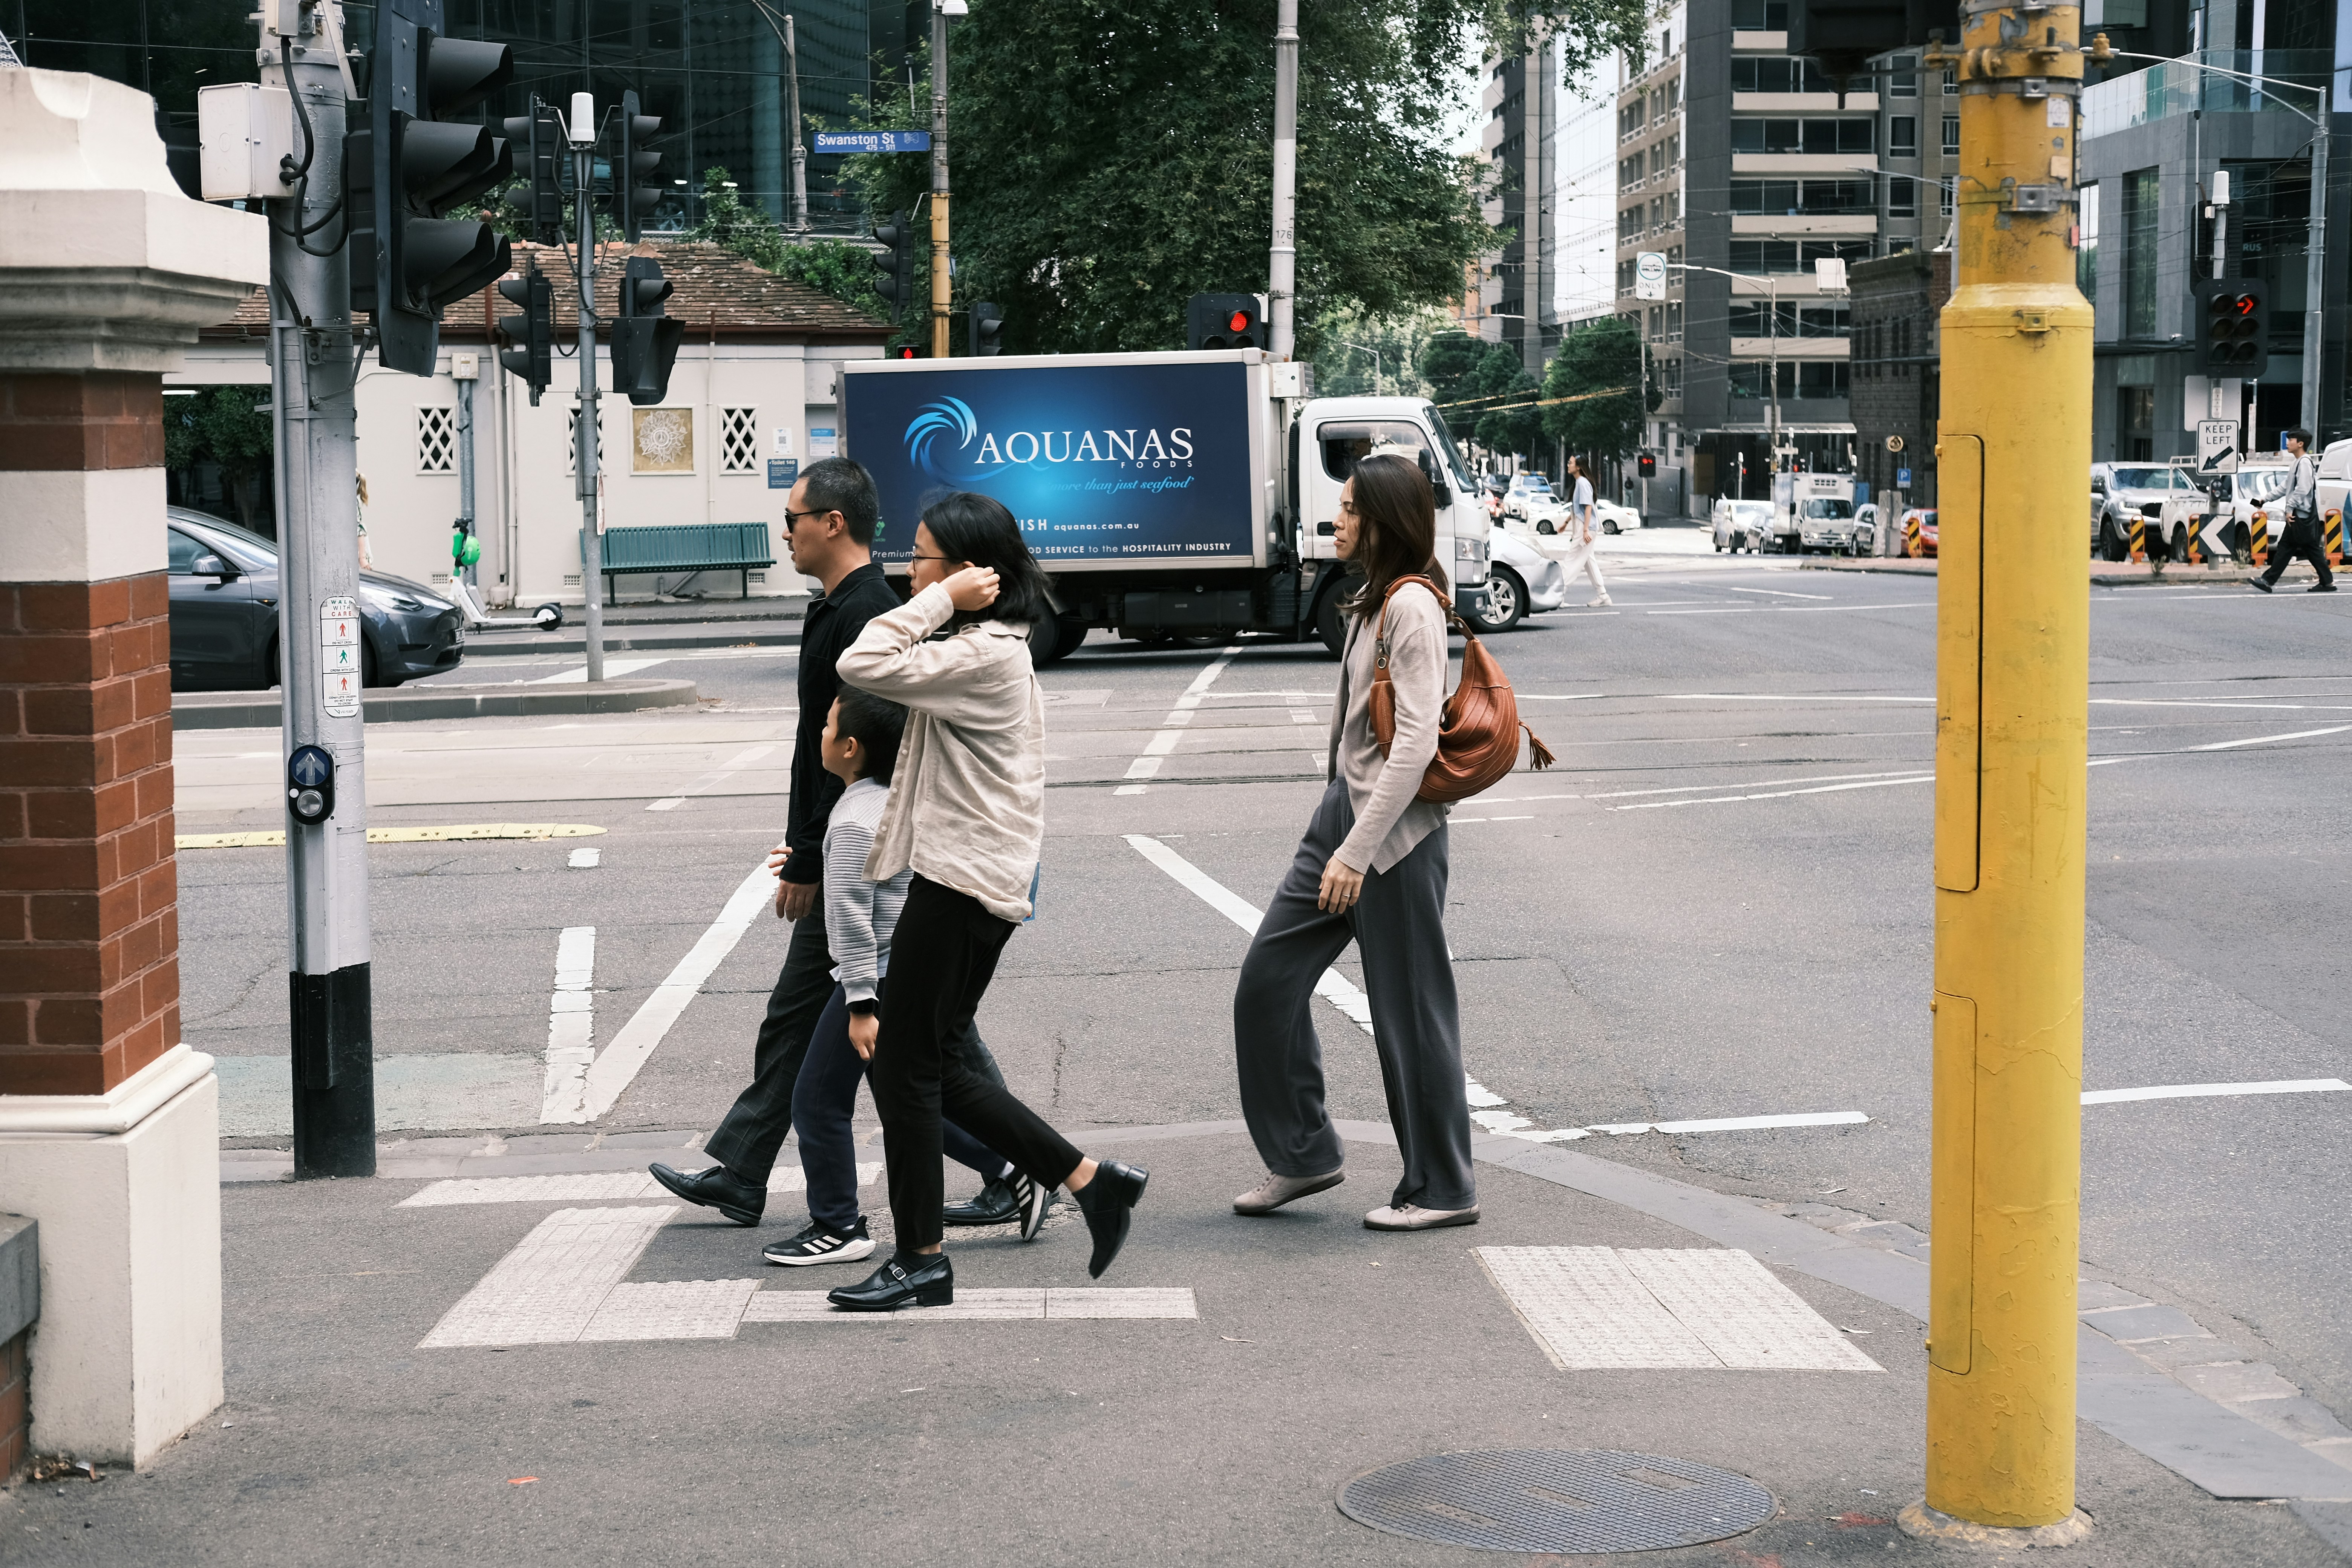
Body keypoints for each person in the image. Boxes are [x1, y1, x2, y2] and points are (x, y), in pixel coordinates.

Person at [650, 458, 1030, 1230]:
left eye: (791, 518)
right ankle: (746, 1167)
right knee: (819, 1020)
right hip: (855, 846)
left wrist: (817, 856)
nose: (782, 532)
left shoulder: (867, 614)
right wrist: (802, 844)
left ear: (830, 522)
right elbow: (811, 744)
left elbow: (859, 752)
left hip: (872, 853)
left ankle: (1006, 1163)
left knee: (922, 1037)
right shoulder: (834, 606)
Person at [825, 492, 1148, 1311]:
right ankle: (1088, 1178)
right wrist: (945, 602)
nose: (910, 571)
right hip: (969, 876)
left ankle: (923, 1257)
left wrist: (937, 601)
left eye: (924, 559)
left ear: (969, 572)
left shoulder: (985, 654)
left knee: (904, 1068)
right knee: (929, 1062)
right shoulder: (985, 648)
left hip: (963, 879)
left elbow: (859, 664)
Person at [1229, 451, 1478, 1231]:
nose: (1335, 519)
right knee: (1266, 984)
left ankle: (1444, 1188)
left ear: (1384, 521)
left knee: (1412, 1016)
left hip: (1391, 839)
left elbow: (1412, 747)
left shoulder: (1414, 607)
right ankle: (1304, 1153)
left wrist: (1356, 850)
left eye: (1348, 509)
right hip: (1345, 817)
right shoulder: (1370, 599)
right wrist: (1338, 829)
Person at [765, 691, 1053, 1266]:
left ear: (850, 749)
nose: (818, 734)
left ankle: (838, 1224)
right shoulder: (911, 799)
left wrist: (860, 1004)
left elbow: (849, 921)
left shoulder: (850, 821)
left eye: (826, 725)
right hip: (918, 966)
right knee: (903, 1095)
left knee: (819, 1099)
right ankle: (1009, 1166)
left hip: (878, 980)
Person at [2250, 429, 2336, 594]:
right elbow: (2286, 486)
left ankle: (2268, 580)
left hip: (2300, 514)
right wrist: (2264, 499)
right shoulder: (2298, 463)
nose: (2287, 443)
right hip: (2302, 515)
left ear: (2300, 444)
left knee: (2287, 547)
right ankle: (2327, 582)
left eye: (2291, 440)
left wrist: (2290, 509)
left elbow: (2303, 489)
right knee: (2310, 549)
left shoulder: (2304, 463)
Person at [1559, 456, 1612, 606]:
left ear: (1579, 467)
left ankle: (1558, 595)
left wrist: (1585, 531)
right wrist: (1566, 523)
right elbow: (1580, 509)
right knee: (1589, 561)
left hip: (1586, 528)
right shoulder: (1580, 483)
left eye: (1571, 463)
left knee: (1572, 561)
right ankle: (1603, 595)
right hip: (1584, 527)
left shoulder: (1583, 483)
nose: (1568, 465)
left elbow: (1588, 507)